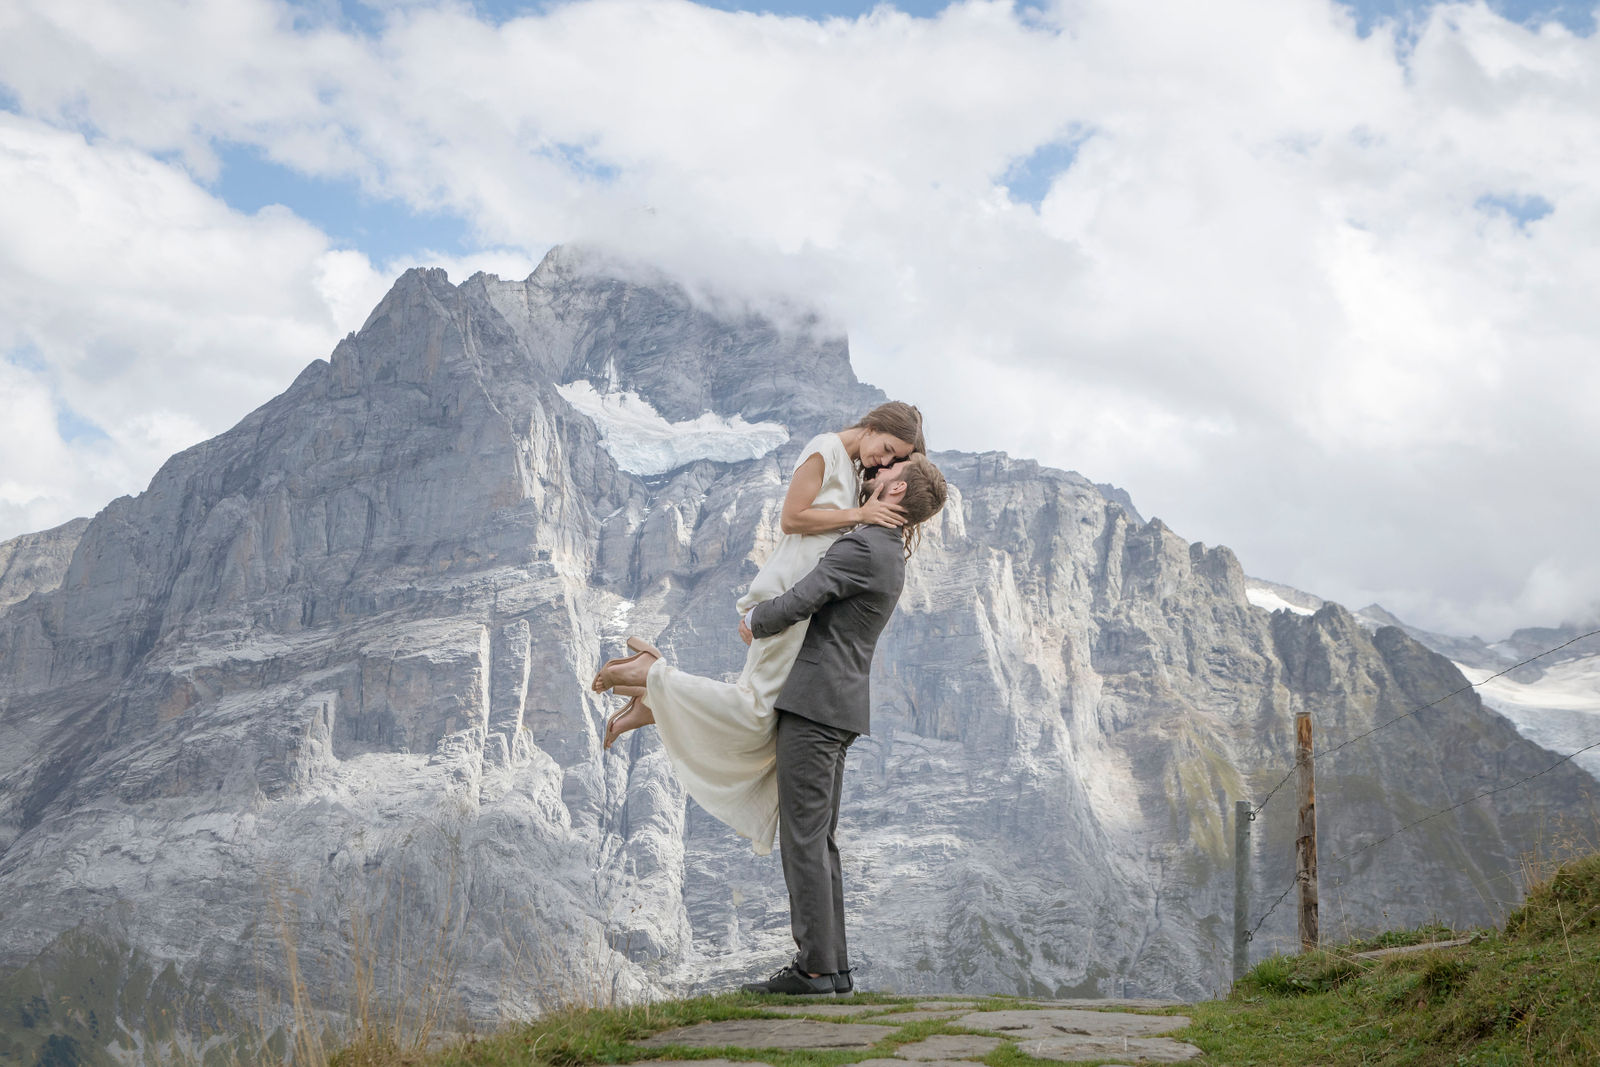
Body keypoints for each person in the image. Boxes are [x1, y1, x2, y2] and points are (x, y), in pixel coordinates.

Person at [597, 454, 950, 995]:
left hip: (812, 705)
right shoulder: (887, 552)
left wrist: (755, 622)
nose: (875, 474)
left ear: (897, 488)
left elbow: (810, 593)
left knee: (803, 841)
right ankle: (833, 970)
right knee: (819, 840)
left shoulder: (864, 546)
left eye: (885, 473)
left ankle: (814, 970)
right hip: (839, 707)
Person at [591, 402, 925, 857]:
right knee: (755, 713)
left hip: (805, 604)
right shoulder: (824, 450)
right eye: (886, 449)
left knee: (765, 721)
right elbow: (792, 519)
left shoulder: (849, 468)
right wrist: (860, 517)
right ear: (873, 427)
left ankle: (657, 704)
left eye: (893, 461)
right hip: (790, 596)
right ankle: (652, 677)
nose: (884, 462)